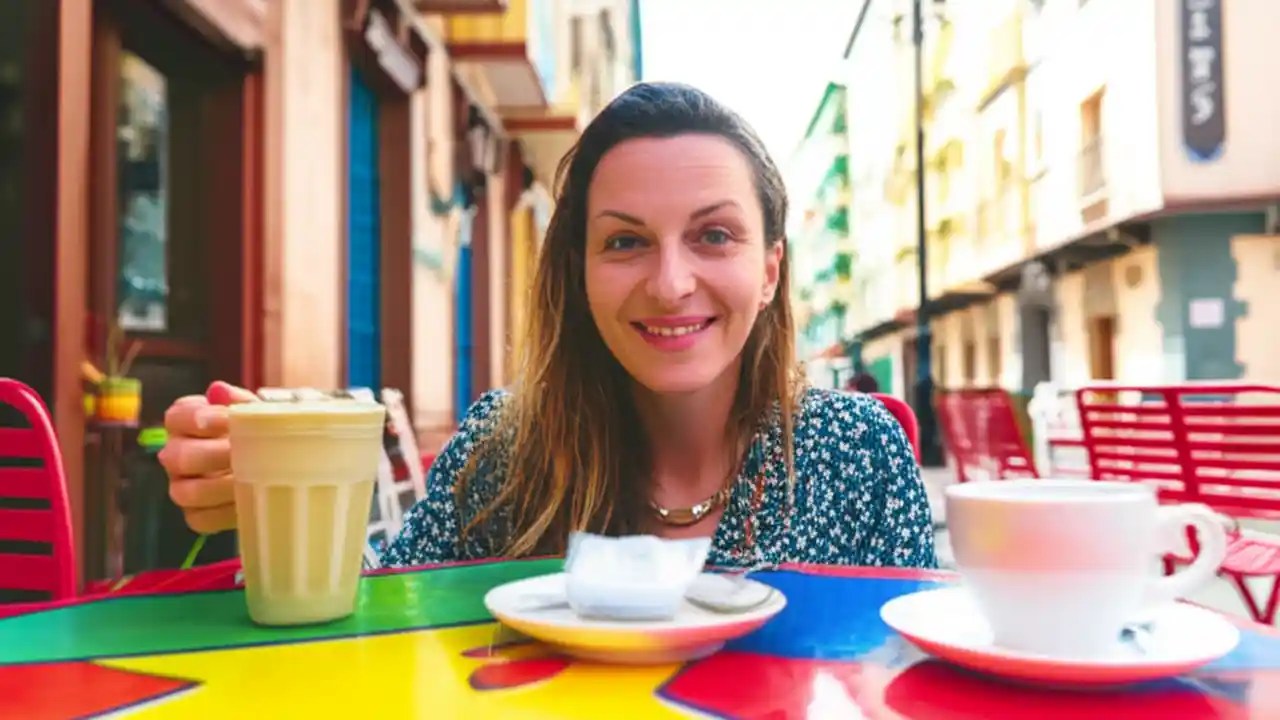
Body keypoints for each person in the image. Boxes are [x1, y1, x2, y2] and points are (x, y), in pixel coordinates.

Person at [159, 82, 937, 571]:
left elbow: (907, 684)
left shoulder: (862, 453)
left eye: (714, 235)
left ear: (769, 271)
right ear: (579, 271)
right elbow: (384, 622)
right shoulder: (503, 448)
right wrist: (263, 511)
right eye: (625, 241)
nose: (670, 285)